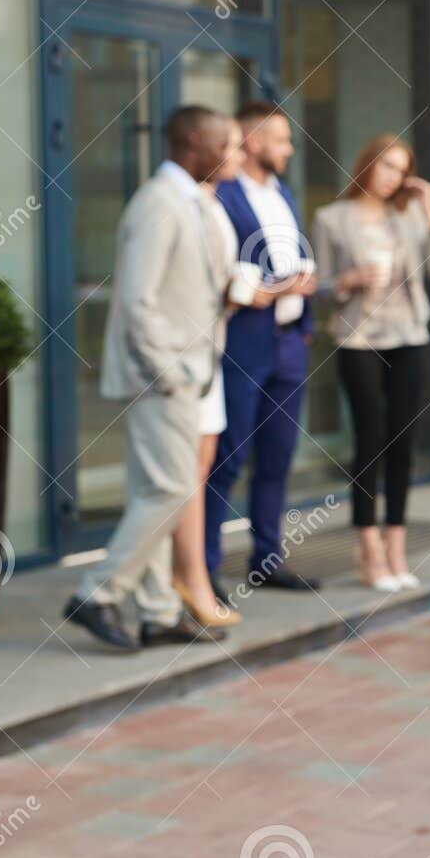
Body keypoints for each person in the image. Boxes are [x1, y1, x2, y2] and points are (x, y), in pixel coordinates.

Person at [64, 106, 243, 652]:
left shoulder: (193, 202)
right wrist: (172, 371)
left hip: (185, 374)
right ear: (194, 142)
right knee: (170, 489)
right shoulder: (159, 203)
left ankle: (160, 613)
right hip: (163, 377)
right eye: (224, 144)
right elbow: (137, 301)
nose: (231, 154)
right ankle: (97, 592)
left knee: (154, 488)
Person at [312, 134, 430, 591]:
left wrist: (428, 209)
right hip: (358, 340)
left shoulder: (408, 216)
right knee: (370, 438)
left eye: (401, 168)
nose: (392, 176)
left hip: (408, 336)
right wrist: (348, 280)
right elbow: (319, 289)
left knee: (402, 441)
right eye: (386, 166)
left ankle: (396, 548)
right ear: (368, 164)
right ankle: (368, 550)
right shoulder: (332, 219)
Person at [204, 100, 321, 598]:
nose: (290, 148)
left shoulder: (284, 193)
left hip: (290, 343)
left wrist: (304, 317)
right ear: (252, 142)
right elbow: (224, 271)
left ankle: (267, 558)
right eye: (280, 139)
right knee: (229, 457)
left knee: (277, 457)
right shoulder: (222, 196)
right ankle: (204, 567)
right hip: (245, 343)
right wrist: (276, 289)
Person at [169, 120, 256, 628]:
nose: (239, 156)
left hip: (209, 354)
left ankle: (192, 576)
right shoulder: (182, 202)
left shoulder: (212, 203)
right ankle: (190, 579)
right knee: (186, 475)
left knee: (199, 471)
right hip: (188, 358)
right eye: (231, 147)